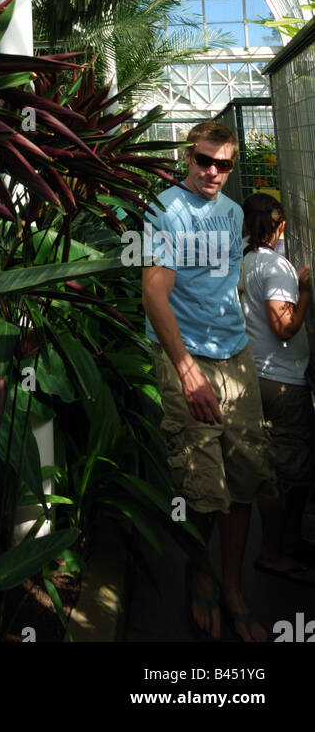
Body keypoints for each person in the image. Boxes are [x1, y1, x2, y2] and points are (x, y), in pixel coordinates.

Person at [142, 120, 276, 643]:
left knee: (244, 478)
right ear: (187, 157)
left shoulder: (235, 212)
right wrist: (186, 371)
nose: (213, 172)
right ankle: (199, 573)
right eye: (204, 161)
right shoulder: (164, 210)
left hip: (235, 355)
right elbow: (156, 295)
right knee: (201, 486)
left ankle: (233, 587)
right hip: (187, 359)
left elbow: (226, 285)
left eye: (224, 164)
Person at [241, 193, 315, 583]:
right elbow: (283, 326)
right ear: (281, 226)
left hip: (257, 375)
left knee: (270, 465)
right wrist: (303, 296)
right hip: (282, 379)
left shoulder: (247, 260)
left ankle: (282, 543)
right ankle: (278, 548)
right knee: (292, 467)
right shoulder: (274, 267)